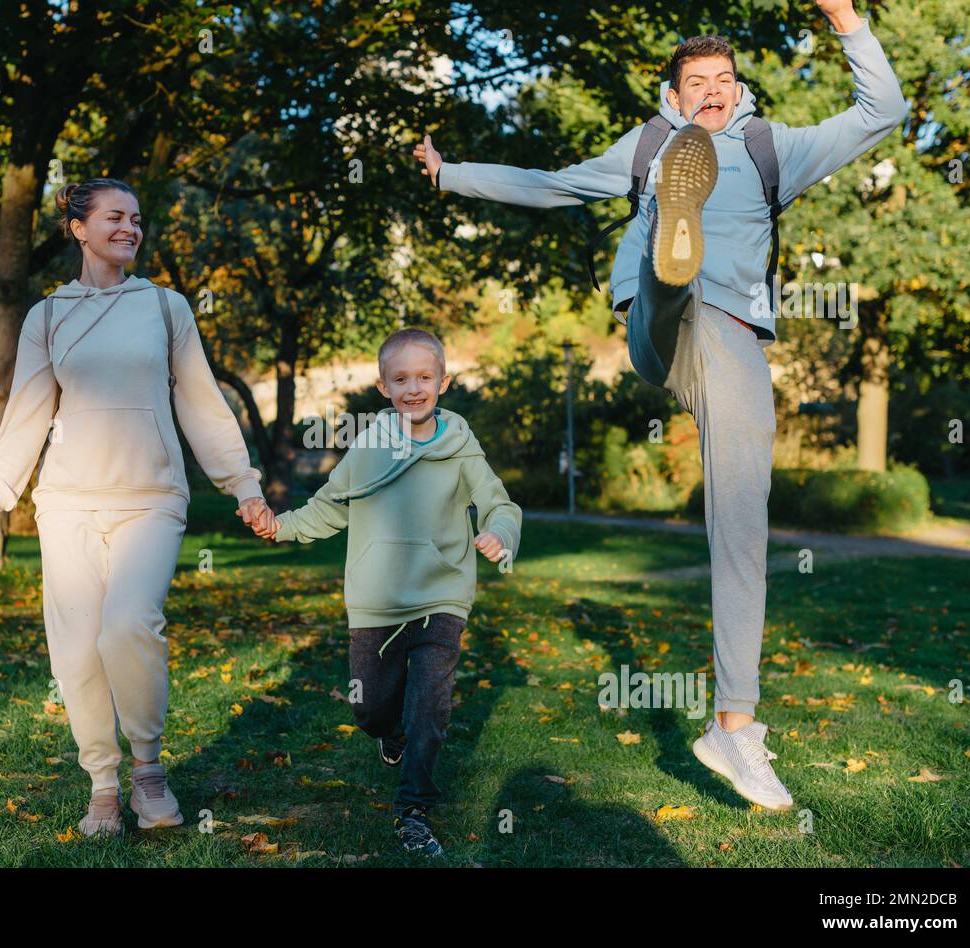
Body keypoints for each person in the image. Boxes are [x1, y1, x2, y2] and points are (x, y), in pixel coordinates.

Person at [414, 0, 906, 810]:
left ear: (738, 89)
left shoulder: (771, 146)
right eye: (695, 83)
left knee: (744, 511)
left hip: (737, 337)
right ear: (674, 98)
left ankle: (735, 727)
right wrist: (450, 172)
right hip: (659, 327)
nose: (711, 91)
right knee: (668, 298)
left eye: (724, 79)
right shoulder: (647, 144)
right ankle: (669, 270)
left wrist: (847, 19)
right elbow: (552, 186)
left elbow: (882, 112)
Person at [0, 178, 273, 837]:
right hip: (66, 504)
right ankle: (102, 784)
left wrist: (244, 484)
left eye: (137, 218)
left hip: (150, 500)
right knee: (75, 649)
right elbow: (27, 416)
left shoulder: (164, 307)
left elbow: (203, 404)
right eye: (116, 217)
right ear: (79, 228)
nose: (131, 228)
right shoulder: (48, 315)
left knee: (128, 623)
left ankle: (149, 770)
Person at [255, 329, 521, 855]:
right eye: (401, 379)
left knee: (431, 708)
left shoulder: (461, 447)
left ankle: (413, 810)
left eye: (425, 377)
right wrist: (281, 527)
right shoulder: (370, 445)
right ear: (383, 386)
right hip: (375, 602)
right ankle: (389, 734)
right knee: (372, 709)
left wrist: (498, 534)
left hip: (441, 597)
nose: (414, 388)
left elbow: (500, 504)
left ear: (443, 382)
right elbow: (332, 505)